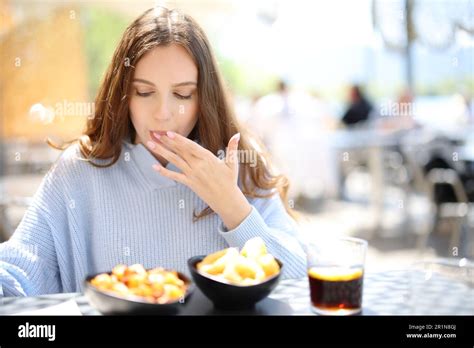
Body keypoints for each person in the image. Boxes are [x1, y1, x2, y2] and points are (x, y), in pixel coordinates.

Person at [0, 7, 306, 296]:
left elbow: (299, 283)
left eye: (182, 93)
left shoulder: (240, 162)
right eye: (144, 92)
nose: (163, 113)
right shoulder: (80, 171)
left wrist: (235, 210)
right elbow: (18, 274)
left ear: (205, 97)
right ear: (124, 96)